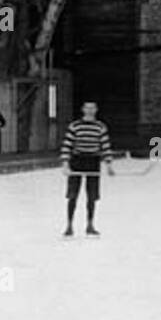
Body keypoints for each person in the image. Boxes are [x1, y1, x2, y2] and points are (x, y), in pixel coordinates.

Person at [59, 101, 114, 237]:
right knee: (72, 195)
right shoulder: (75, 126)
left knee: (92, 195)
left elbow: (105, 146)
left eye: (92, 108)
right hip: (77, 160)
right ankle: (69, 225)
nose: (90, 110)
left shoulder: (100, 127)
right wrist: (65, 164)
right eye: (87, 108)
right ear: (83, 109)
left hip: (93, 160)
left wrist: (109, 165)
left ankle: (90, 224)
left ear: (96, 110)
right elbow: (67, 145)